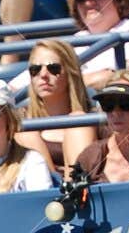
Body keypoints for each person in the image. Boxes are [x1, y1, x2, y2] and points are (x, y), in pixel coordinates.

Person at [23, 37, 93, 173]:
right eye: (35, 69)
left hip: (82, 189)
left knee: (78, 123)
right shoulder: (23, 123)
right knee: (24, 134)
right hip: (40, 190)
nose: (43, 74)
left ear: (70, 73)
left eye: (53, 68)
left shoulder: (92, 118)